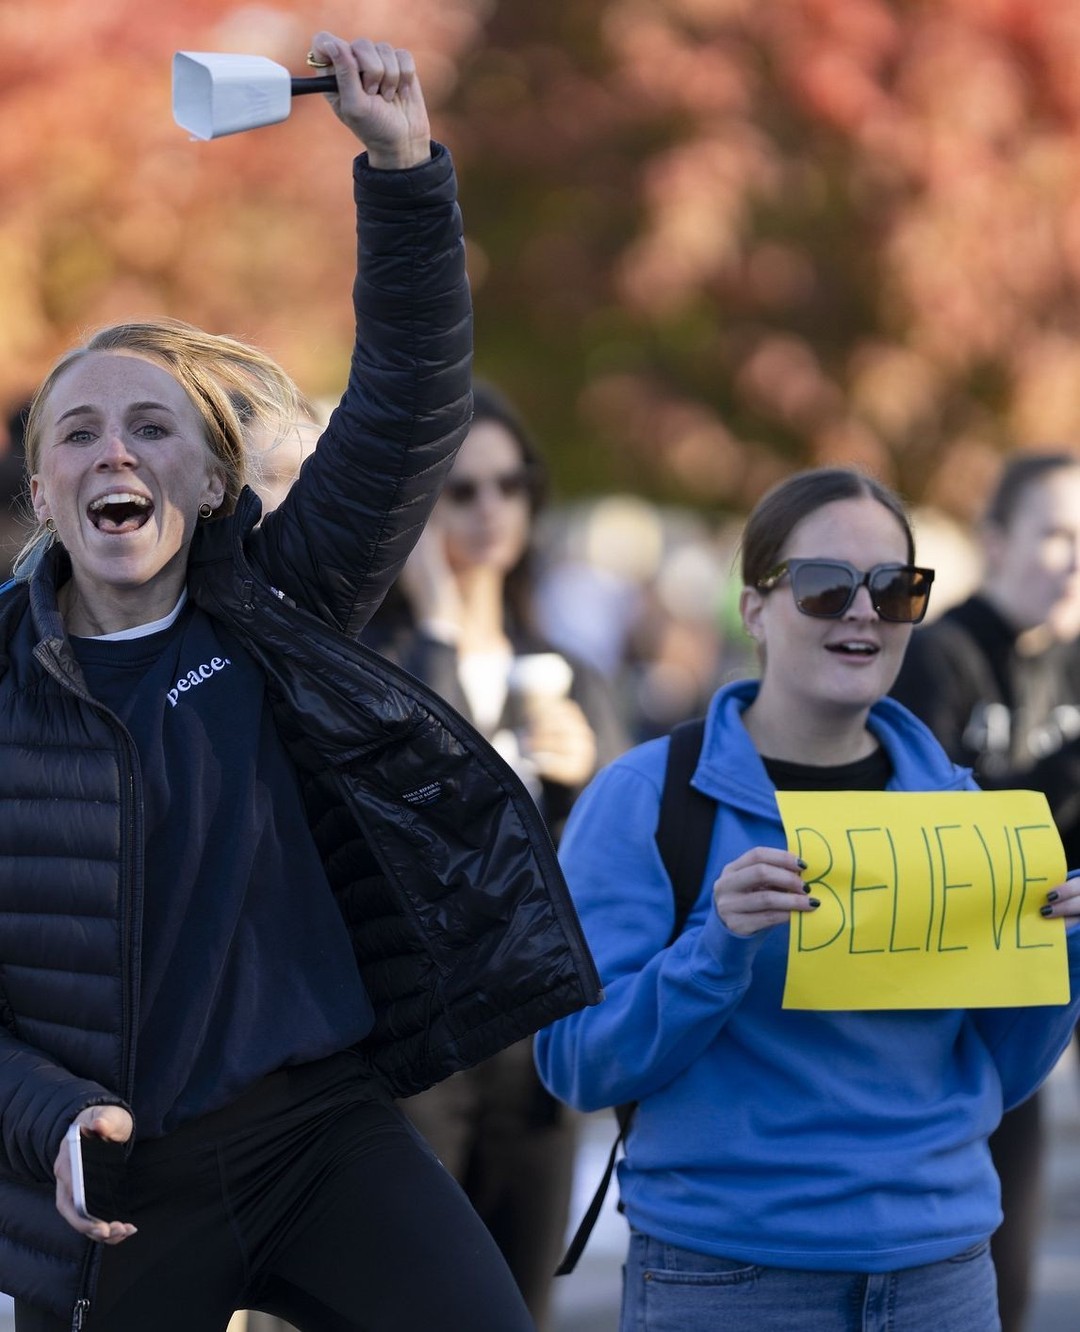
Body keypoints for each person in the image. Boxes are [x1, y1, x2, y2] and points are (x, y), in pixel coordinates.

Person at [0, 32, 601, 1332]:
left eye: (154, 425)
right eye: (80, 432)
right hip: (120, 1176)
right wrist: (45, 1114)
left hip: (323, 1134)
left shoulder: (279, 601)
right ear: (43, 489)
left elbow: (409, 401)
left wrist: (401, 172)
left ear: (210, 483)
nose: (119, 450)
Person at [534, 466, 1080, 1332]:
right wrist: (716, 950)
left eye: (895, 588)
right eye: (825, 586)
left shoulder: (967, 811)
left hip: (941, 1278)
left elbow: (997, 1073)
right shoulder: (645, 798)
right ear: (753, 609)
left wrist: (1068, 955)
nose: (864, 611)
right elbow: (576, 1065)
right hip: (727, 1281)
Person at [362, 381, 627, 1328]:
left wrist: (585, 778)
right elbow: (386, 822)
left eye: (509, 486)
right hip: (415, 1046)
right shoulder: (373, 655)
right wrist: (435, 629)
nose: (488, 510)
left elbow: (617, 869)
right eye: (460, 489)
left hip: (537, 1046)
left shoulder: (571, 669)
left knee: (517, 1308)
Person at [891, 450, 1080, 1332]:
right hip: (969, 1003)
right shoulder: (938, 657)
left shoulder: (1072, 663)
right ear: (995, 543)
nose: (1074, 562)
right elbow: (929, 836)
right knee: (991, 1267)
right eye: (1056, 536)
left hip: (1059, 972)